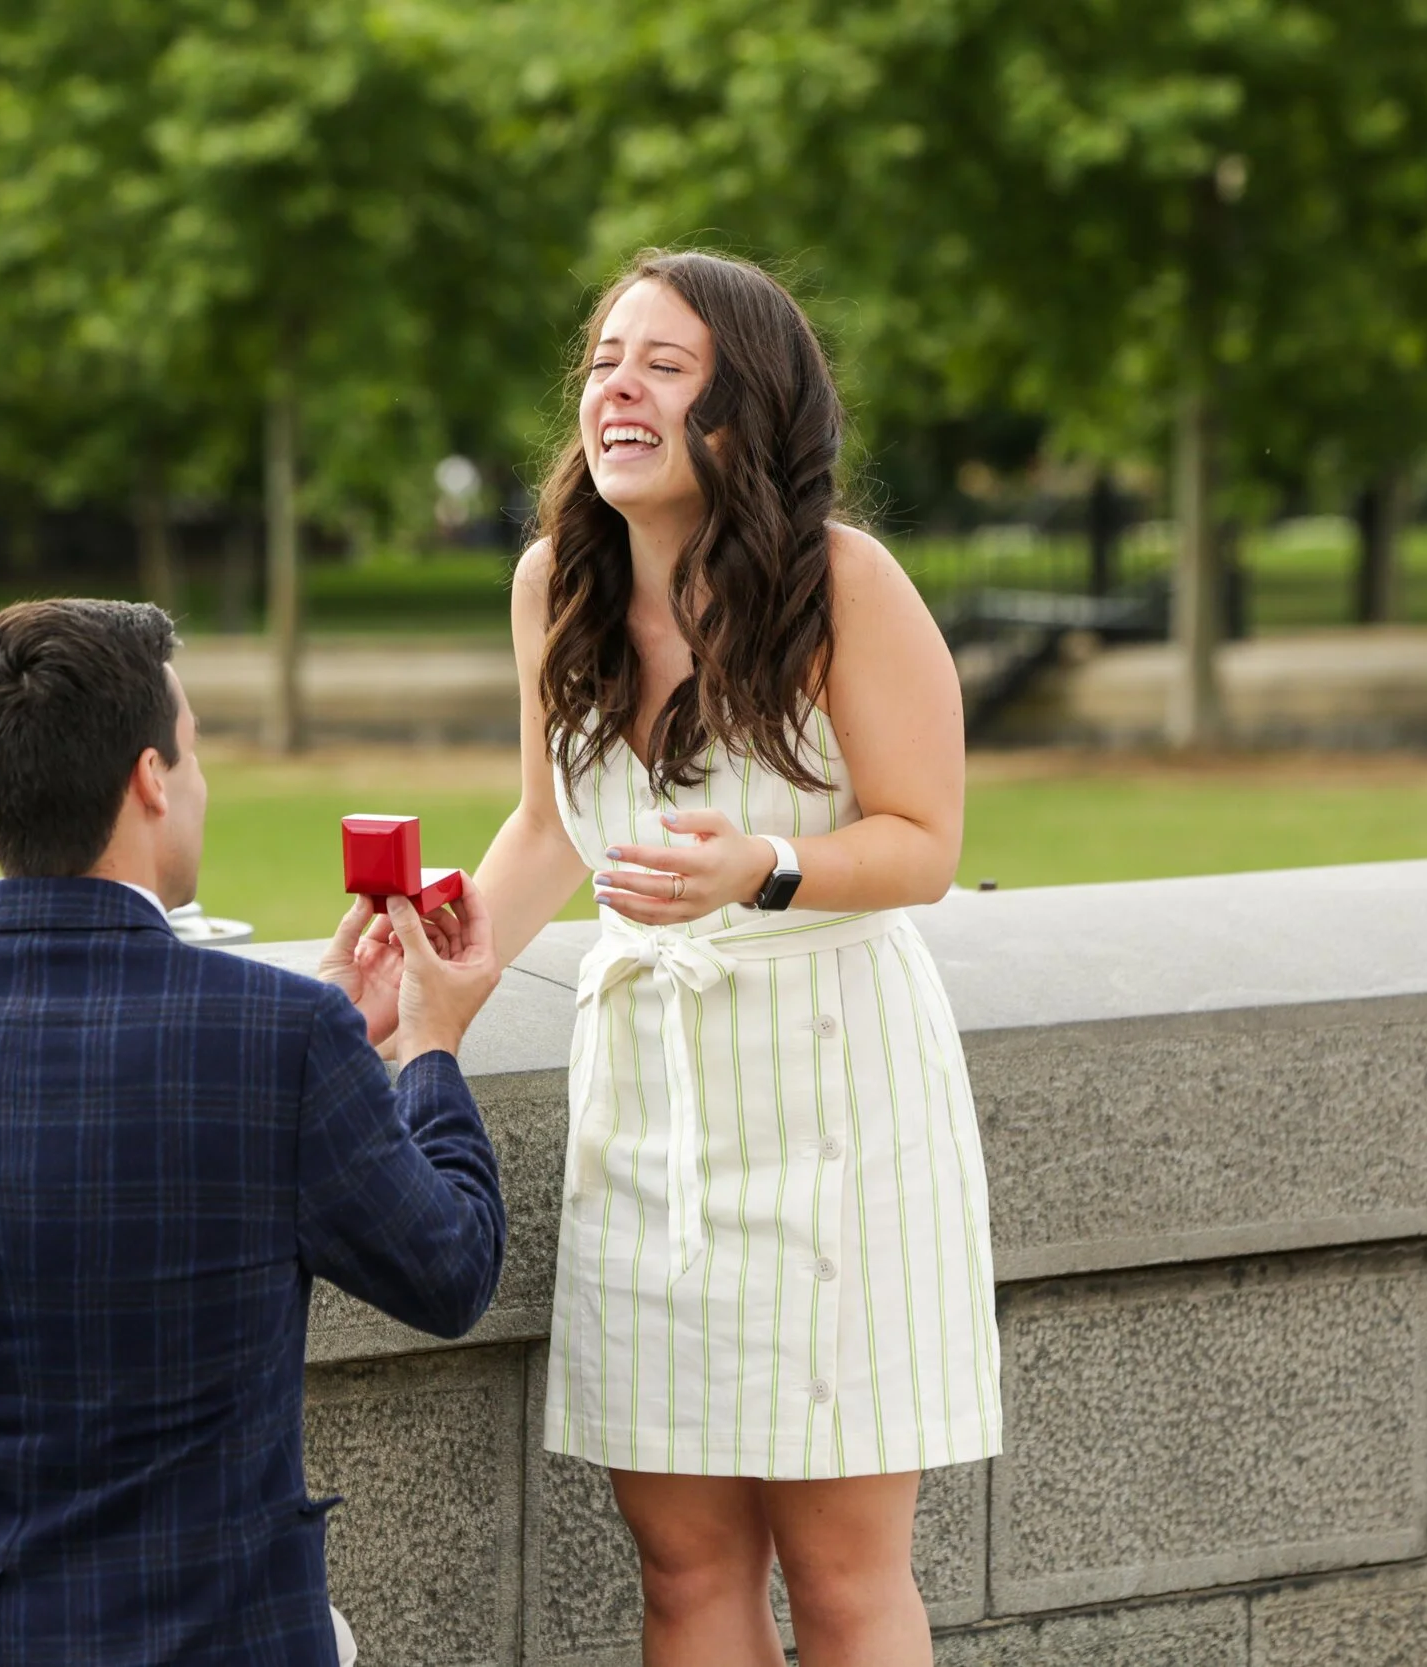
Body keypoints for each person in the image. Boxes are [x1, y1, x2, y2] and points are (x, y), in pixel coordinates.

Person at [463, 251, 1000, 1666]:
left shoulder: (842, 581)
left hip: (840, 1117)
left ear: (742, 405)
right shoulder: (553, 586)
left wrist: (761, 869)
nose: (616, 387)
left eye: (663, 363)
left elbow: (924, 839)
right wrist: (425, 976)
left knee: (839, 1576)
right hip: (651, 1121)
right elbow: (544, 830)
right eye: (602, 359)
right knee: (685, 1564)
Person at [0, 599, 507, 1667]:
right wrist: (429, 1044)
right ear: (148, 777)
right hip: (212, 1630)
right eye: (190, 755)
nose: (197, 783)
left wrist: (327, 1021)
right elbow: (451, 1269)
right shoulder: (277, 1037)